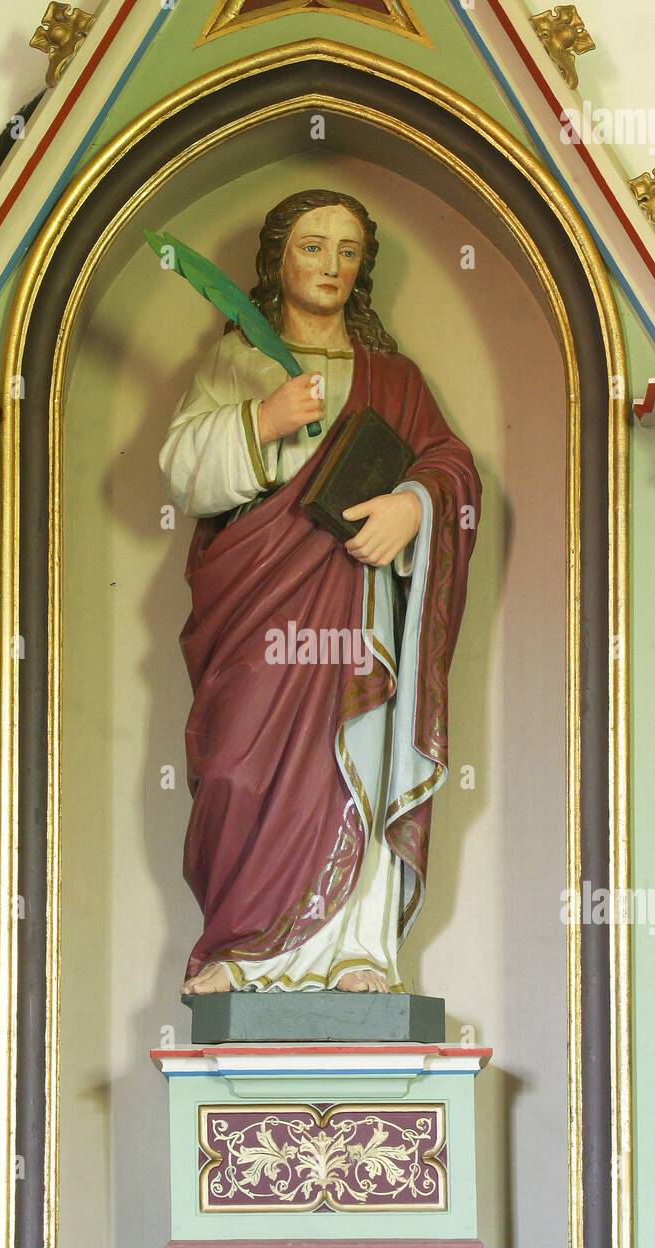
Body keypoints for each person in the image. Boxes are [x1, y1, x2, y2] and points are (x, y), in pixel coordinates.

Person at [158, 189, 481, 995]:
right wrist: (260, 419)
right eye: (312, 246)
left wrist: (413, 508)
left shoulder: (394, 378)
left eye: (347, 250)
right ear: (278, 260)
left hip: (354, 607)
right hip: (255, 615)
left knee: (356, 755)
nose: (331, 264)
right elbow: (181, 470)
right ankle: (240, 946)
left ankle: (354, 948)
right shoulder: (236, 359)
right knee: (237, 763)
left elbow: (449, 465)